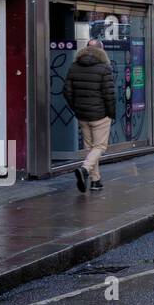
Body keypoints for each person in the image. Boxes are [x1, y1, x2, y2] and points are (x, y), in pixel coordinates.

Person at [62, 39, 116, 193]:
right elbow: (109, 94)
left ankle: (95, 180)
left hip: (82, 114)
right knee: (99, 146)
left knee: (89, 147)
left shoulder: (74, 67)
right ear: (102, 51)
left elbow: (67, 91)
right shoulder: (104, 68)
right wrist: (110, 113)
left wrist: (76, 108)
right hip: (100, 114)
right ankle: (85, 170)